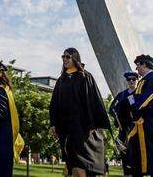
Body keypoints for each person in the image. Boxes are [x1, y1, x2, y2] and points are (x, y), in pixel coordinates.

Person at [49, 48, 111, 177]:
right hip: (66, 129)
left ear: (75, 58)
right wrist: (53, 124)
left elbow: (94, 100)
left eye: (68, 57)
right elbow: (54, 103)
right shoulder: (62, 79)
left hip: (83, 128)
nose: (65, 59)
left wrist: (92, 124)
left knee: (82, 165)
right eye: (63, 57)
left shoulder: (85, 76)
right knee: (71, 164)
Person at [110, 71, 140, 175]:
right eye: (129, 79)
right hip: (123, 130)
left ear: (137, 80)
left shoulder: (139, 94)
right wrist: (117, 119)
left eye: (133, 79)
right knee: (124, 155)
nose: (131, 81)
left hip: (136, 129)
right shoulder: (121, 95)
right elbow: (111, 109)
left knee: (135, 156)